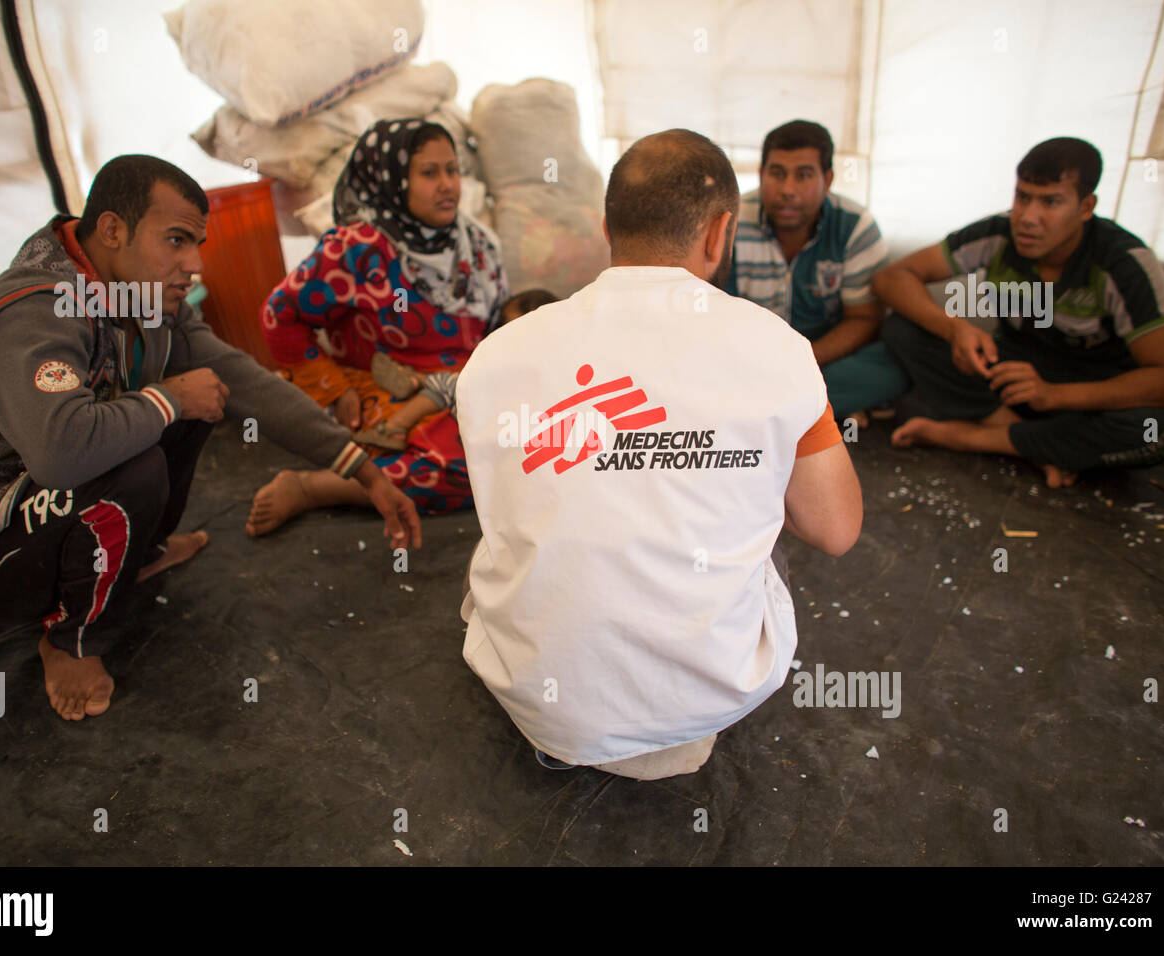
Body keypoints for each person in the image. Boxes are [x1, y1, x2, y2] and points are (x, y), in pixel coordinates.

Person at [0, 155, 421, 721]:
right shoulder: (36, 308)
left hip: (28, 510)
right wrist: (168, 398)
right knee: (143, 450)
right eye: (175, 240)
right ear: (111, 230)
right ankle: (71, 640)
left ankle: (136, 552)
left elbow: (244, 380)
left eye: (196, 243)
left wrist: (365, 471)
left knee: (202, 393)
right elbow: (59, 454)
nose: (193, 264)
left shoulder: (139, 297)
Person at [455, 129, 863, 780]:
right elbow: (836, 530)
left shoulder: (498, 354)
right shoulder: (776, 347)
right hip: (714, 692)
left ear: (610, 229)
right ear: (719, 233)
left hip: (536, 693)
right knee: (768, 511)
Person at [874, 137, 1164, 488]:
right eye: (1022, 197)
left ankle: (969, 437)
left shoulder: (1124, 264)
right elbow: (893, 278)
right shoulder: (998, 233)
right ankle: (1033, 444)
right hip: (1009, 381)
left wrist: (1055, 395)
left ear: (1086, 207)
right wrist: (954, 330)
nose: (1027, 218)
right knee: (902, 329)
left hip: (1085, 398)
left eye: (1051, 202)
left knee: (1156, 434)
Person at [246, 119, 508, 534]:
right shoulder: (357, 247)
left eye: (452, 169)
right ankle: (314, 488)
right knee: (466, 466)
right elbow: (280, 314)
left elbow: (494, 330)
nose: (447, 184)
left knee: (530, 437)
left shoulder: (477, 244)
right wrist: (335, 388)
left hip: (461, 386)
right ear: (391, 180)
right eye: (428, 173)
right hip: (390, 391)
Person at [725, 119, 907, 425]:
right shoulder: (730, 224)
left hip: (822, 360)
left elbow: (864, 318)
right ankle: (819, 408)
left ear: (829, 179)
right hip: (750, 363)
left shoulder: (855, 227)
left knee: (896, 359)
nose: (788, 190)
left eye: (804, 175)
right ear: (760, 174)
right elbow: (719, 317)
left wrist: (802, 362)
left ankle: (775, 409)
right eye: (777, 174)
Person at [354, 288, 559, 449]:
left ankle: (394, 427)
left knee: (449, 385)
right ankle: (416, 379)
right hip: (503, 406)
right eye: (502, 326)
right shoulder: (551, 357)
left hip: (500, 415)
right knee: (457, 381)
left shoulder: (529, 363)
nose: (503, 334)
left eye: (510, 330)